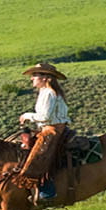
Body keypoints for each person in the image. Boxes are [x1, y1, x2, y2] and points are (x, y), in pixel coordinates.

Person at [16, 62, 71, 200]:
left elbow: (45, 117)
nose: (32, 78)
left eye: (35, 75)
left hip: (53, 130)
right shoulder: (46, 92)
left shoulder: (49, 93)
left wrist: (27, 116)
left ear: (46, 77)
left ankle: (47, 191)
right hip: (48, 128)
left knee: (39, 155)